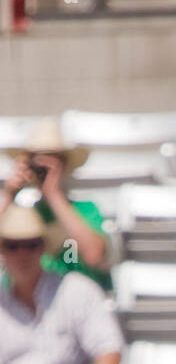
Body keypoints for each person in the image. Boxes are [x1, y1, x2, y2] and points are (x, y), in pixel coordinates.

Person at [0, 205, 123, 364]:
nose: (22, 254)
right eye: (12, 246)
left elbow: (109, 351)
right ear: (2, 251)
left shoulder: (77, 290)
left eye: (30, 245)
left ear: (43, 248)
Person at [0, 120, 111, 290]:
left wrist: (54, 196)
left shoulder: (86, 209)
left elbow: (94, 256)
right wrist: (8, 195)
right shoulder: (20, 215)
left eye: (52, 161)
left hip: (74, 304)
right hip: (26, 306)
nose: (44, 168)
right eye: (38, 162)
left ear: (64, 165)